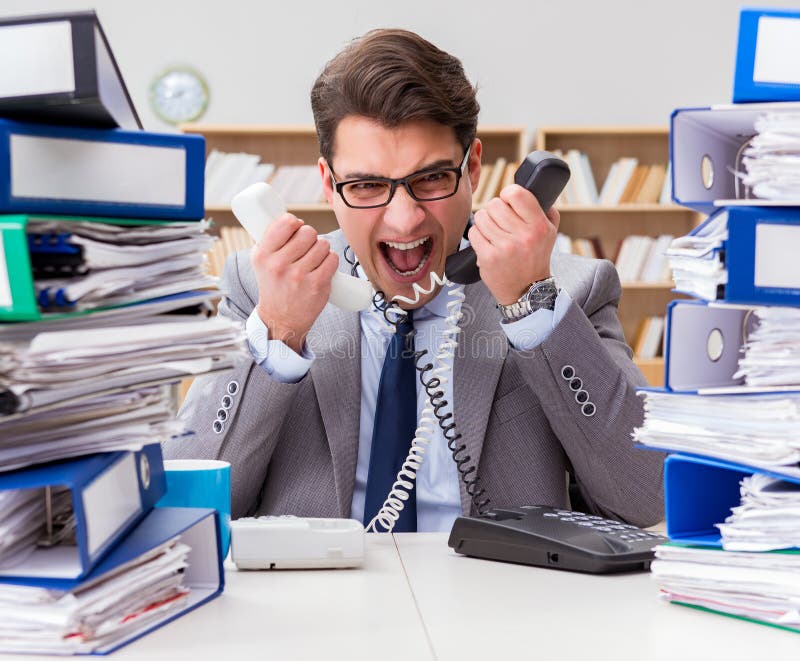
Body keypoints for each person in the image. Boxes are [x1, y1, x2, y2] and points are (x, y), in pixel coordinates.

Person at [166, 28, 663, 532]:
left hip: (502, 601)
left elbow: (647, 499)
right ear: (327, 183)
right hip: (314, 601)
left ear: (472, 168)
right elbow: (186, 509)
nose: (404, 221)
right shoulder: (259, 289)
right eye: (365, 185)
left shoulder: (571, 290)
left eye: (430, 178)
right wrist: (278, 334)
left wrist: (529, 306)